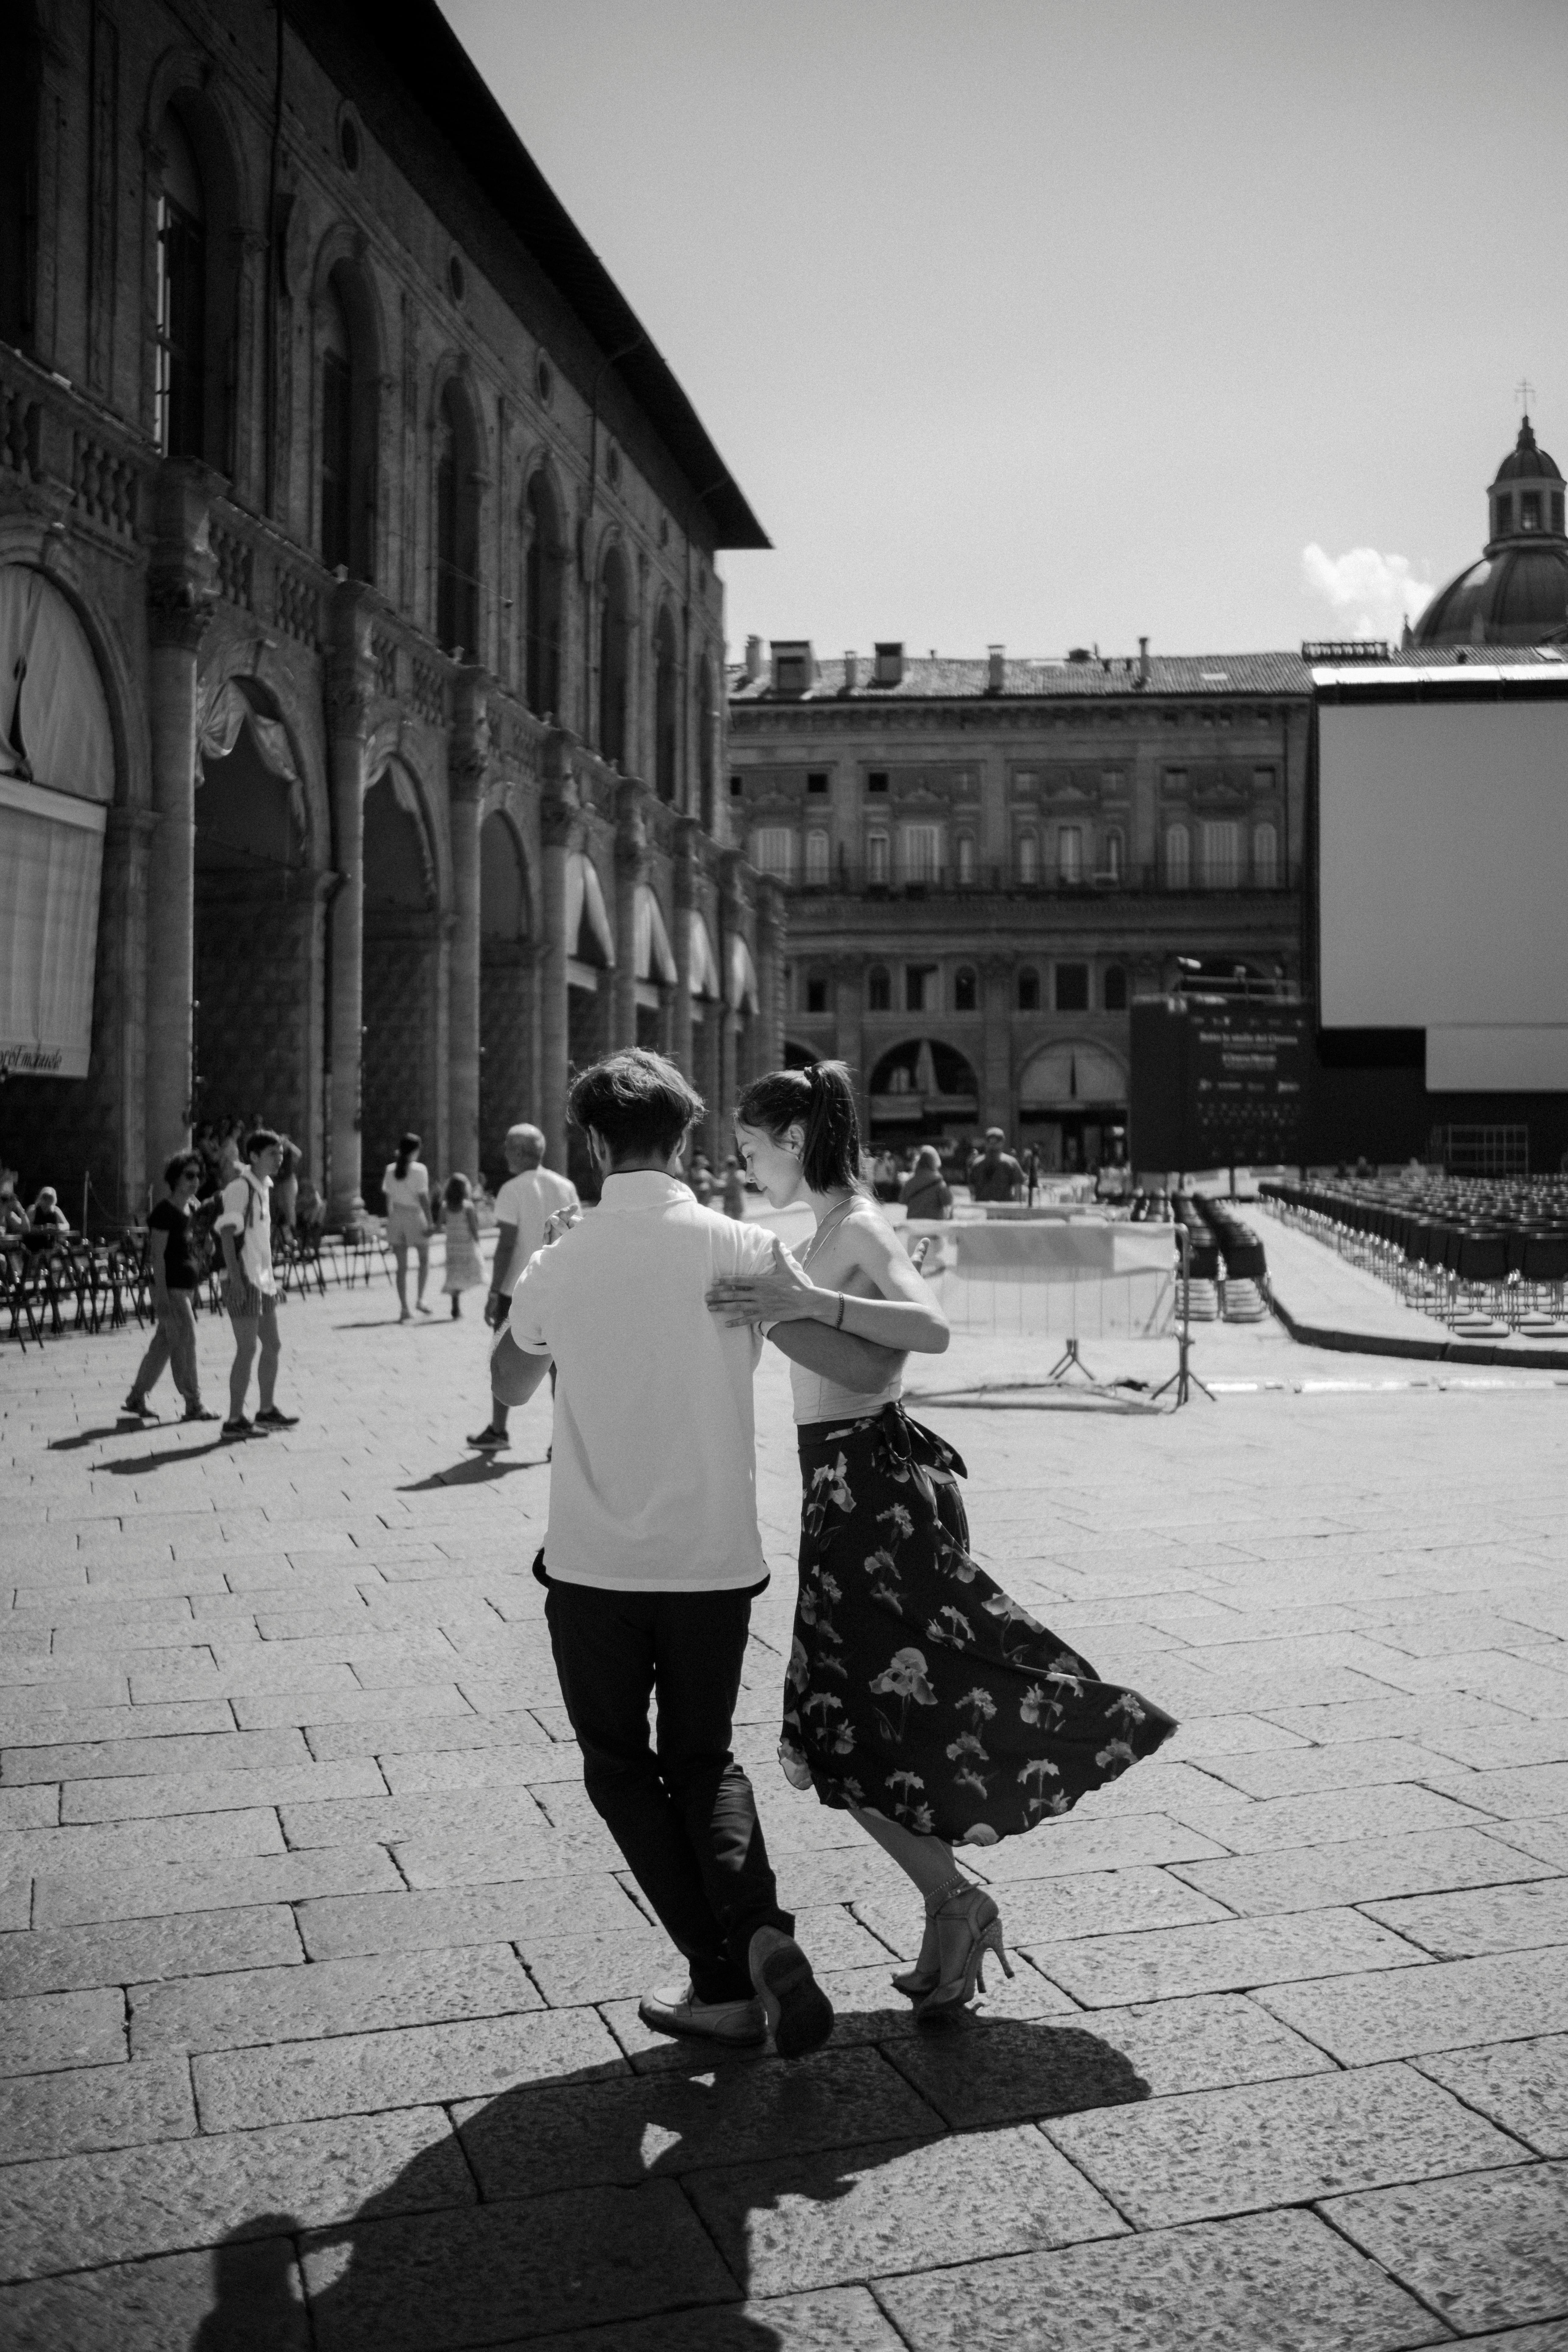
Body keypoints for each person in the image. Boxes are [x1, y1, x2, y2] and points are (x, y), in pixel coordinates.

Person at [709, 1061, 1178, 2019]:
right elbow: (866, 1356)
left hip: (869, 1494)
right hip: (846, 1490)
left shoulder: (858, 1229)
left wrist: (805, 1302)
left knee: (837, 1725)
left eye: (752, 1150)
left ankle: (954, 1899)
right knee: (852, 1721)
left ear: (793, 1140)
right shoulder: (823, 1235)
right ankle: (948, 1907)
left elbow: (927, 1328)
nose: (748, 1168)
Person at [487, 1048, 855, 2058]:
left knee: (618, 1764)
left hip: (597, 1565)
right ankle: (762, 1929)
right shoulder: (739, 1244)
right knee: (704, 1757)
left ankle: (722, 1966)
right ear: (688, 1136)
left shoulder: (563, 1257)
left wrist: (532, 1306)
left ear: (596, 1143)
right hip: (714, 1559)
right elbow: (839, 1356)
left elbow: (512, 1383)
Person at [469, 1124, 579, 1451]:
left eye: (507, 1147)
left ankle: (498, 1430)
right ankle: (561, 1440)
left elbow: (506, 1245)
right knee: (559, 1367)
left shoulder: (512, 1189)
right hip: (559, 1288)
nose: (504, 1154)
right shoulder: (565, 1186)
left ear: (519, 1152)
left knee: (506, 1362)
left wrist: (493, 1292)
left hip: (517, 1288)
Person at [216, 1127, 299, 1440]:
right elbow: (227, 1235)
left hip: (262, 1281)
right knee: (247, 1348)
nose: (279, 1159)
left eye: (281, 1153)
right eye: (272, 1154)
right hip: (243, 1279)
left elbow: (259, 1241)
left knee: (273, 1345)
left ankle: (266, 1411)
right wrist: (237, 1281)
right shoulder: (240, 1188)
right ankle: (234, 1419)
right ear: (253, 1156)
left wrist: (272, 1281)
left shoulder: (264, 1186)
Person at [122, 1153, 216, 1424]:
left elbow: (201, 1245)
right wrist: (161, 1294)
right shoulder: (165, 1212)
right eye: (189, 1175)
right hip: (171, 1288)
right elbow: (158, 1257)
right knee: (187, 1341)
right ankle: (194, 1403)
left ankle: (136, 1398)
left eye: (198, 1176)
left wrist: (206, 1236)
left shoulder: (192, 1209)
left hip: (186, 1287)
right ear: (175, 1178)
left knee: (163, 1344)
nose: (195, 1181)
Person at [383, 1132, 435, 1321]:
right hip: (414, 1215)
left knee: (402, 1267)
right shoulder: (420, 1170)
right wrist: (430, 1222)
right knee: (423, 1260)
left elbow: (389, 1199)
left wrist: (390, 1223)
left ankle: (404, 1308)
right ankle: (420, 1299)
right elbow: (423, 1198)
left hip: (397, 1216)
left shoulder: (390, 1170)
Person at [441, 1172, 483, 1317]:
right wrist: (478, 1242)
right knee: (468, 1271)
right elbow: (473, 1228)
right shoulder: (468, 1207)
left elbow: (439, 1225)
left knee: (453, 1274)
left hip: (452, 1245)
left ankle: (455, 1304)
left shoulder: (445, 1206)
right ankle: (458, 1300)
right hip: (466, 1244)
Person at [968, 1127, 1024, 1204]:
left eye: (996, 1143)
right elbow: (972, 1188)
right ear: (986, 1143)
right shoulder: (977, 1164)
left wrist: (1016, 1207)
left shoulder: (1011, 1163)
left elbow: (1018, 1189)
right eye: (990, 1142)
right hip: (983, 1207)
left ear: (1002, 1143)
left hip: (1005, 1208)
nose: (993, 1146)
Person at [900, 1144, 952, 1222]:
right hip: (934, 1222)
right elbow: (947, 1201)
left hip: (914, 1223)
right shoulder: (939, 1182)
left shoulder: (911, 1182)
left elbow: (902, 1200)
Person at [720, 1156, 747, 1220]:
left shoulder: (741, 1174)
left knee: (738, 1221)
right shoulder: (724, 1176)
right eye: (729, 1164)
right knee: (728, 1221)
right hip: (728, 1202)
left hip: (738, 1201)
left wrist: (733, 1175)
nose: (731, 1166)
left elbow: (744, 1183)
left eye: (733, 1164)